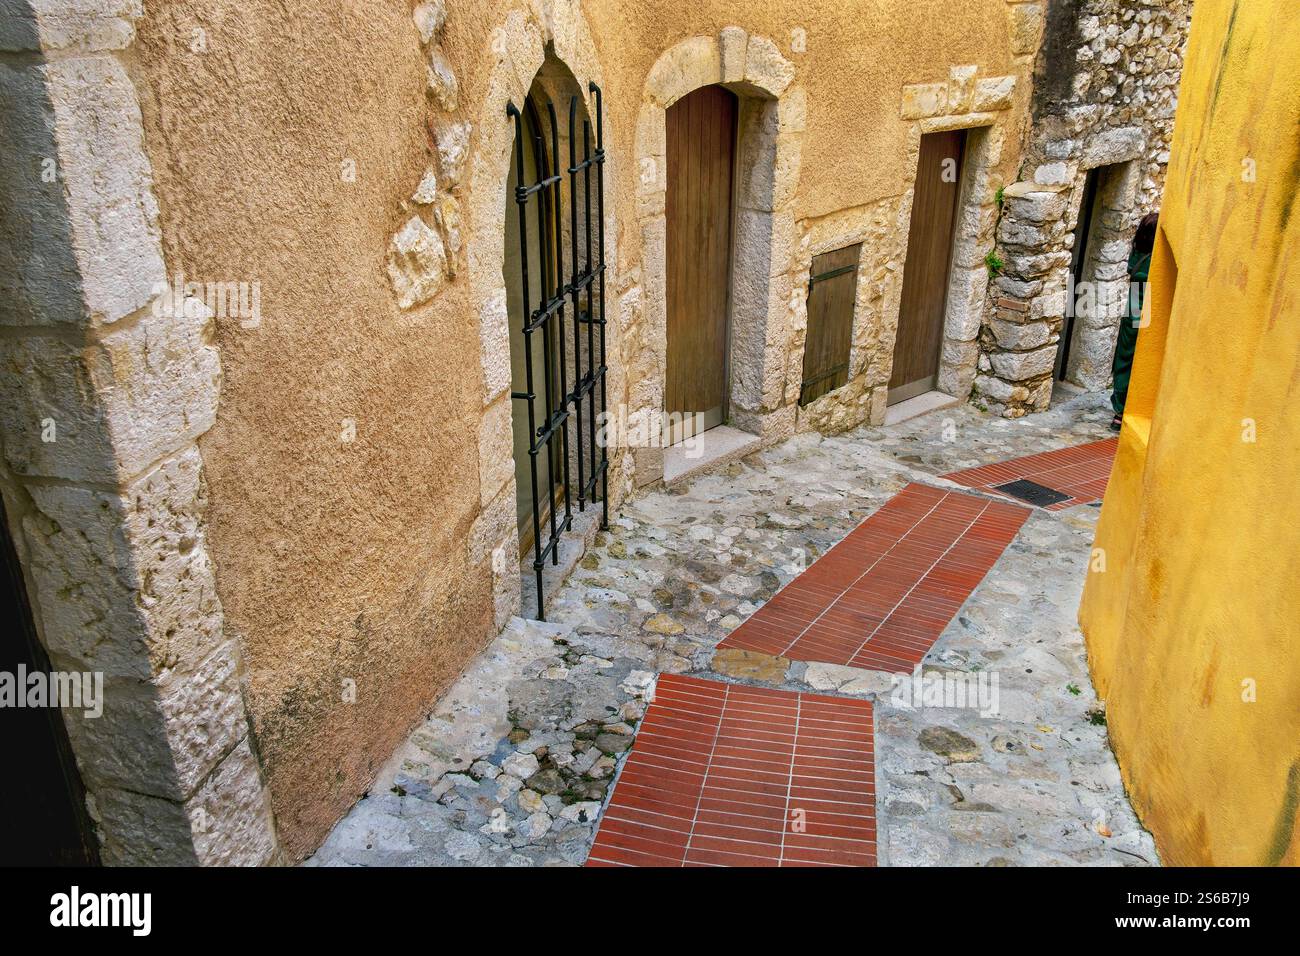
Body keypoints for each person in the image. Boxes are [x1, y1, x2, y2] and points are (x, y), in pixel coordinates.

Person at [1110, 212, 1158, 430]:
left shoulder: (1137, 252)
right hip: (1150, 312)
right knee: (1143, 362)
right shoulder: (1157, 259)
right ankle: (1133, 409)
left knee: (1124, 360)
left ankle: (1119, 411)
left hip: (1132, 312)